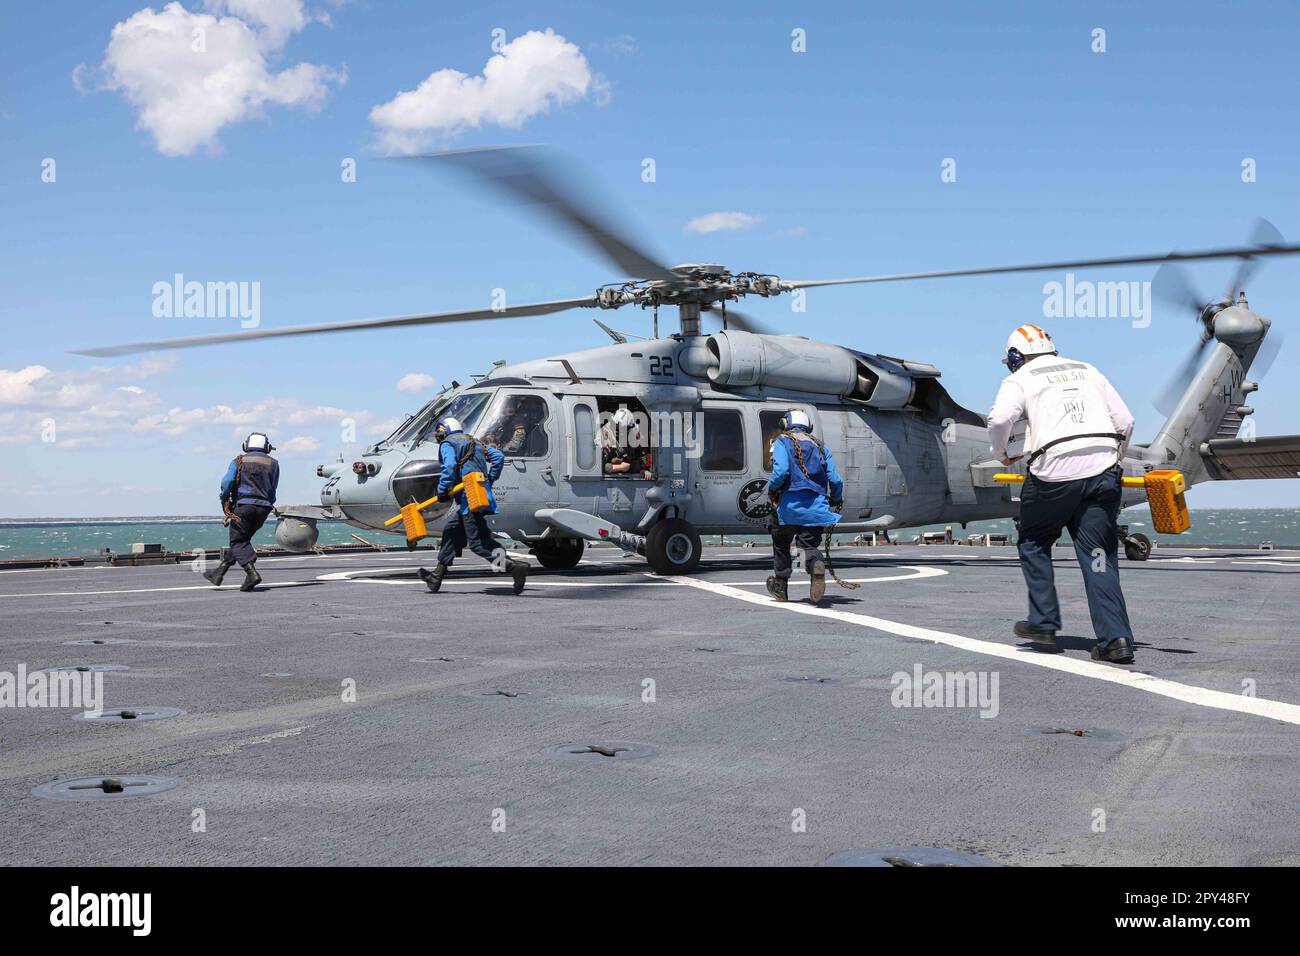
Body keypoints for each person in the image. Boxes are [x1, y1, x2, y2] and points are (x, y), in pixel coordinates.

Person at [987, 324, 1137, 664]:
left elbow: (998, 420)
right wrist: (1116, 458)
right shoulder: (1088, 369)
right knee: (1098, 555)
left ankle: (1043, 622)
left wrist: (1002, 454)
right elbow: (1126, 421)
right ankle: (1116, 639)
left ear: (1014, 357)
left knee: (1034, 540)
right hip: (1103, 474)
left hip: (1053, 476)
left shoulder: (1020, 378)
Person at [417, 416, 528, 595]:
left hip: (469, 499)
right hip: (480, 496)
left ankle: (514, 567)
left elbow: (450, 465)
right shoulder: (474, 442)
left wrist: (442, 489)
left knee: (478, 544)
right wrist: (489, 480)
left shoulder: (448, 444)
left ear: (444, 430)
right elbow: (498, 457)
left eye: (439, 432)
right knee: (452, 532)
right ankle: (436, 577)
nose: (438, 436)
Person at [765, 409, 844, 605]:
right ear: (808, 425)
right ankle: (815, 562)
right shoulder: (821, 447)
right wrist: (836, 498)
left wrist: (772, 488)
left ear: (786, 424)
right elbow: (835, 480)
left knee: (782, 545)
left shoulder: (782, 442)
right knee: (808, 546)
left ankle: (781, 587)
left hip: (787, 508)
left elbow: (781, 471)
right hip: (816, 508)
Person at [204, 432, 279, 592]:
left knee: (237, 542)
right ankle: (218, 573)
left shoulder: (238, 461)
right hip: (263, 509)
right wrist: (268, 504)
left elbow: (227, 482)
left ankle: (252, 574)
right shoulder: (273, 463)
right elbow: (273, 489)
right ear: (267, 447)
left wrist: (225, 500)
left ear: (246, 446)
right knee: (242, 540)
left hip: (243, 507)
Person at [602, 406, 653, 478]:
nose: (620, 434)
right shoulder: (604, 435)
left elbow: (645, 453)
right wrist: (619, 467)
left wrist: (645, 469)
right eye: (618, 431)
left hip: (631, 473)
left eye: (624, 432)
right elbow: (596, 467)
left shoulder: (636, 434)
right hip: (610, 476)